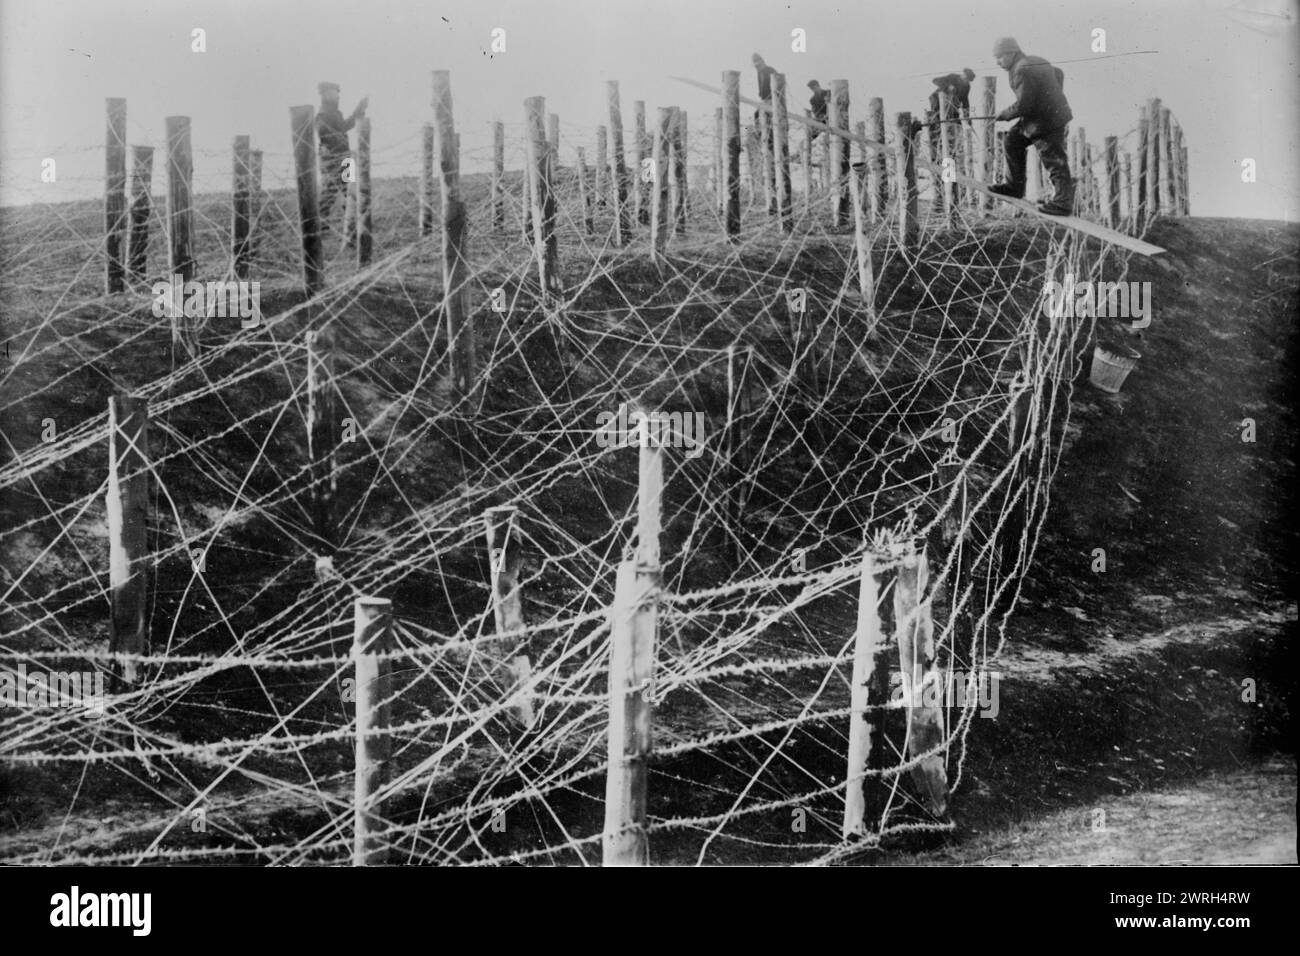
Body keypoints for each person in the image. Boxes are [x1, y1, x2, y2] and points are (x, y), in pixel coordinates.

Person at [985, 38, 1075, 216]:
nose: (998, 62)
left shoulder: (1021, 69)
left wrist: (1004, 114)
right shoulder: (1036, 60)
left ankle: (1063, 203)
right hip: (1044, 115)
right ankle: (1014, 187)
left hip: (1046, 120)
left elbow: (1024, 105)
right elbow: (1058, 73)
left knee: (1053, 159)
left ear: (1011, 53)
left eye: (1000, 57)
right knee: (1012, 140)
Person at [316, 82, 369, 240]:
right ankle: (321, 225)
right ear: (325, 94)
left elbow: (344, 127)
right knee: (330, 192)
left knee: (350, 190)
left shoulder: (334, 113)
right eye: (334, 92)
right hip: (332, 158)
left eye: (337, 92)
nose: (338, 95)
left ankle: (351, 222)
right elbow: (325, 133)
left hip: (344, 157)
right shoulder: (323, 114)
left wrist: (359, 109)